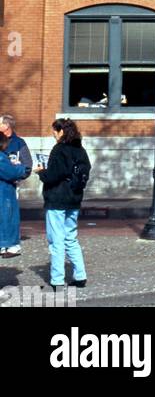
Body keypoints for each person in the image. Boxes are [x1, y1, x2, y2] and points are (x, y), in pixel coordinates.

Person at [35, 119, 90, 291]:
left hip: (57, 198)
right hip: (74, 198)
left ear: (60, 132)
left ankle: (57, 279)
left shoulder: (59, 149)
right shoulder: (80, 150)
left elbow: (53, 175)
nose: (53, 134)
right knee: (71, 237)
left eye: (54, 131)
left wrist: (41, 172)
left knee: (56, 240)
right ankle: (80, 275)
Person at [0, 113, 31, 258]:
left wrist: (18, 176)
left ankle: (12, 244)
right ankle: (4, 243)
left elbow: (28, 165)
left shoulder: (19, 143)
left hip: (12, 184)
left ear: (6, 126)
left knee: (10, 213)